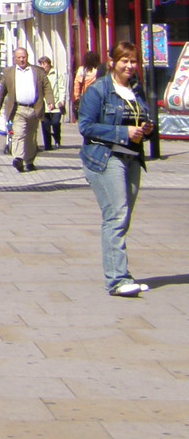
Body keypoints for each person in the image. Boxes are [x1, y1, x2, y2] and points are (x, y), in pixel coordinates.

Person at [78, 41, 153, 296]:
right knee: (116, 216)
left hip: (132, 158)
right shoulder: (98, 90)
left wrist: (146, 130)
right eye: (125, 61)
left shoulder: (135, 89)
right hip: (105, 157)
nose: (130, 66)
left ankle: (122, 273)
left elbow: (140, 119)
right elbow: (86, 127)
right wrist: (123, 132)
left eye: (134, 61)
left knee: (124, 217)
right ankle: (117, 280)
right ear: (113, 62)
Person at [0, 47, 44, 173]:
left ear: (27, 57)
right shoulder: (9, 72)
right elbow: (2, 90)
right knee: (19, 134)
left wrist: (50, 101)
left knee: (31, 137)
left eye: (24, 57)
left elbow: (46, 86)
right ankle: (18, 159)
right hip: (18, 109)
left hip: (33, 109)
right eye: (19, 57)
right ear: (14, 59)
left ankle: (29, 161)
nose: (22, 60)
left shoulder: (36, 71)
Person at [39, 55, 66, 149]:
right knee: (45, 125)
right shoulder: (40, 75)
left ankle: (57, 139)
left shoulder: (57, 74)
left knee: (55, 123)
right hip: (44, 104)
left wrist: (62, 100)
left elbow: (61, 88)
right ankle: (47, 145)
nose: (43, 66)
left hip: (56, 103)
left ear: (49, 64)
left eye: (44, 64)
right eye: (41, 64)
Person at [72, 50, 102, 123]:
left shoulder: (81, 70)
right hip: (98, 96)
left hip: (85, 96)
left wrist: (76, 96)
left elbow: (77, 83)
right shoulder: (99, 70)